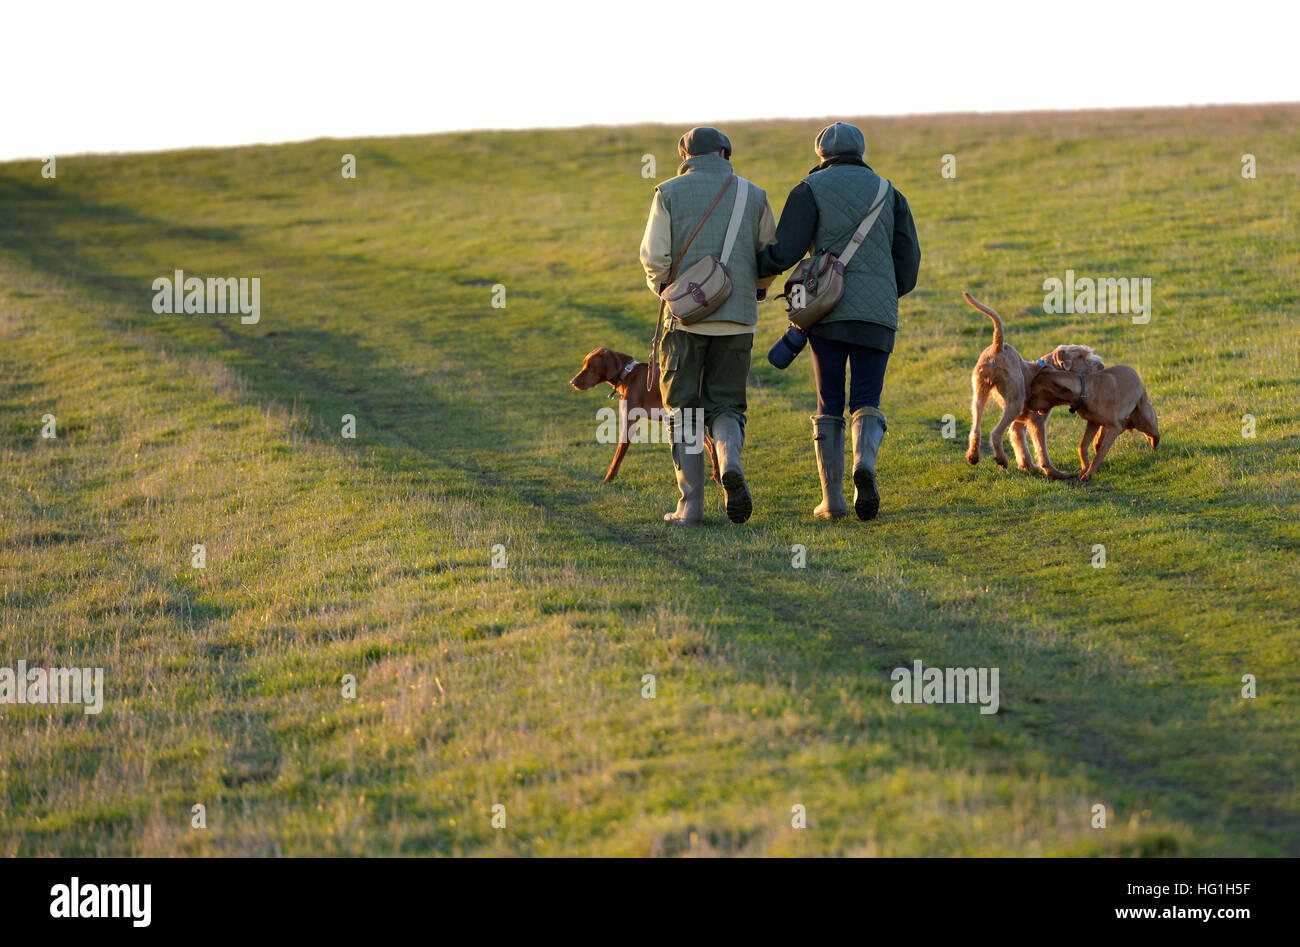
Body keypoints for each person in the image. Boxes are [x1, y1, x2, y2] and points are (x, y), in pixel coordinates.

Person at [757, 122, 920, 521]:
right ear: (861, 151)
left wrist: (754, 266)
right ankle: (864, 463)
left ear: (822, 154)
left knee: (830, 399)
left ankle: (833, 501)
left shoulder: (809, 189)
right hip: (877, 316)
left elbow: (785, 251)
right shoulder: (889, 191)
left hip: (825, 313)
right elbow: (909, 264)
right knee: (867, 397)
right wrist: (881, 294)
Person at [640, 126, 776, 526]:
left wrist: (667, 291)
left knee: (684, 412)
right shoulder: (754, 193)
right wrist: (757, 291)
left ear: (685, 158)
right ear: (724, 152)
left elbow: (654, 257)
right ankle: (730, 460)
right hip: (737, 318)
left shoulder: (667, 192)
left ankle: (691, 507)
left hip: (683, 320)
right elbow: (769, 254)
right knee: (727, 404)